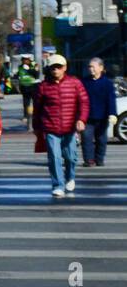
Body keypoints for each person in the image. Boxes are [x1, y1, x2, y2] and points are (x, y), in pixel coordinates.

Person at [33, 54, 89, 198]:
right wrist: (37, 127)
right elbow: (37, 108)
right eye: (53, 68)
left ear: (64, 68)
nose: (55, 70)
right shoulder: (43, 87)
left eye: (58, 67)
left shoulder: (75, 83)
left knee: (71, 157)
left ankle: (70, 176)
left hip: (70, 127)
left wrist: (81, 119)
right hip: (51, 128)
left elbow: (84, 102)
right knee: (54, 157)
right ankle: (58, 185)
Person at [80, 57, 114, 168]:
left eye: (93, 67)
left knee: (101, 140)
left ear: (101, 68)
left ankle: (99, 159)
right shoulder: (84, 82)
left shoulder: (107, 83)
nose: (91, 69)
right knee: (86, 139)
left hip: (102, 117)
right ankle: (89, 160)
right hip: (87, 117)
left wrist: (112, 113)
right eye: (89, 67)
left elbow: (111, 99)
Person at [15, 55, 41, 126]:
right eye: (23, 60)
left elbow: (36, 75)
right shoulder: (20, 66)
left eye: (26, 60)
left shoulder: (34, 65)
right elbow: (19, 75)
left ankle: (37, 114)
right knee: (26, 102)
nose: (24, 61)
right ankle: (26, 116)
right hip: (24, 86)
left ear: (29, 60)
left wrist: (28, 69)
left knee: (36, 101)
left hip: (33, 85)